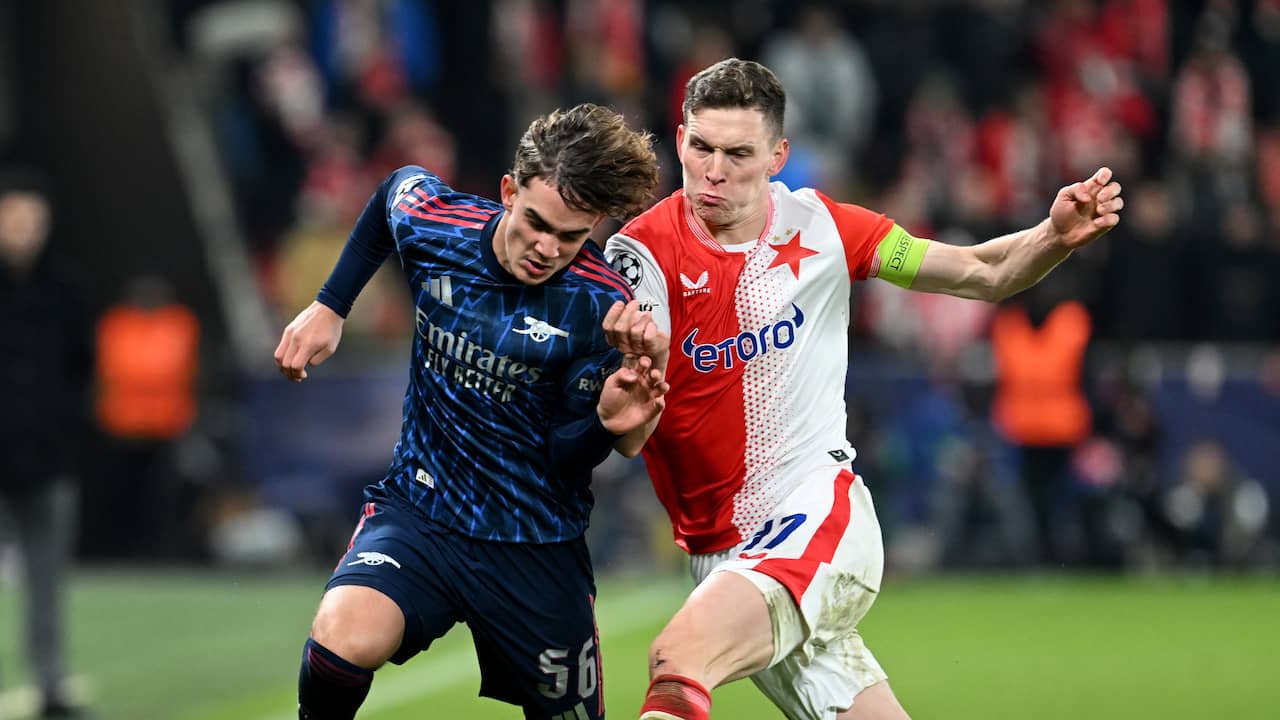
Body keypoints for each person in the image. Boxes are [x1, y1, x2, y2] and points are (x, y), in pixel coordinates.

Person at [603, 58, 1124, 720]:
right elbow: (629, 434)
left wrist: (1053, 237)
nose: (714, 170)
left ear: (778, 156)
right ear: (679, 140)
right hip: (723, 556)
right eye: (700, 147)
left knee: (678, 658)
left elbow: (976, 272)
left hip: (818, 515)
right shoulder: (639, 257)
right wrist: (627, 398)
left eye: (738, 153)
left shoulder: (823, 229)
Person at [274, 103, 667, 720]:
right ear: (509, 191)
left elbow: (566, 456)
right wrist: (331, 305)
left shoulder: (601, 304)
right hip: (421, 513)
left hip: (533, 540)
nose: (546, 247)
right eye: (536, 222)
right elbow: (388, 195)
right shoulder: (438, 225)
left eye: (569, 235)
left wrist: (605, 424)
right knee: (342, 634)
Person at [0, 170, 92, 717]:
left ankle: (51, 683)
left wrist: (61, 426)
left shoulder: (65, 290)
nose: (23, 231)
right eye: (13, 219)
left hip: (47, 456)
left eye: (32, 220)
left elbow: (82, 369)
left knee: (46, 581)